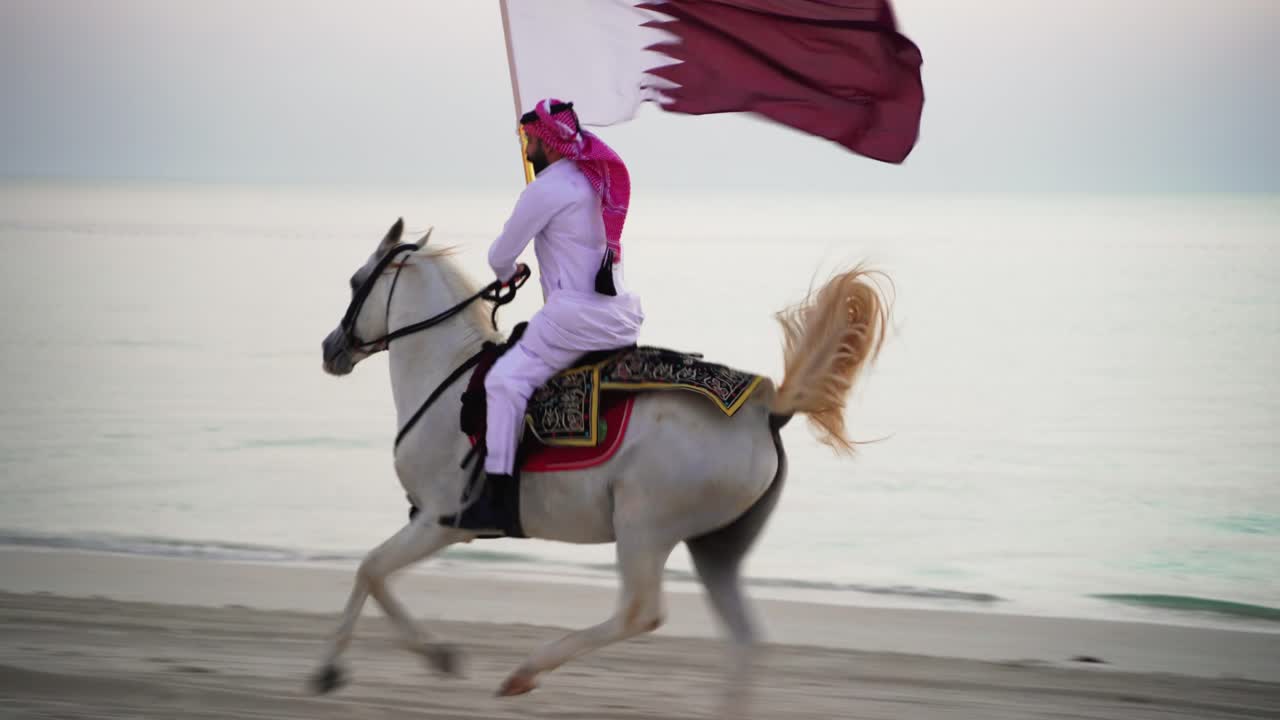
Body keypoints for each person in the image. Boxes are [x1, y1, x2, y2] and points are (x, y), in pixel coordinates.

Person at [440, 99, 644, 535]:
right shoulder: (593, 180)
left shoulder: (547, 189)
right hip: (623, 317)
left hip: (575, 320)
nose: (526, 144)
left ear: (547, 143)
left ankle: (497, 503)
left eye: (528, 138)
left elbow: (500, 254)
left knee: (502, 381)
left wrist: (507, 273)